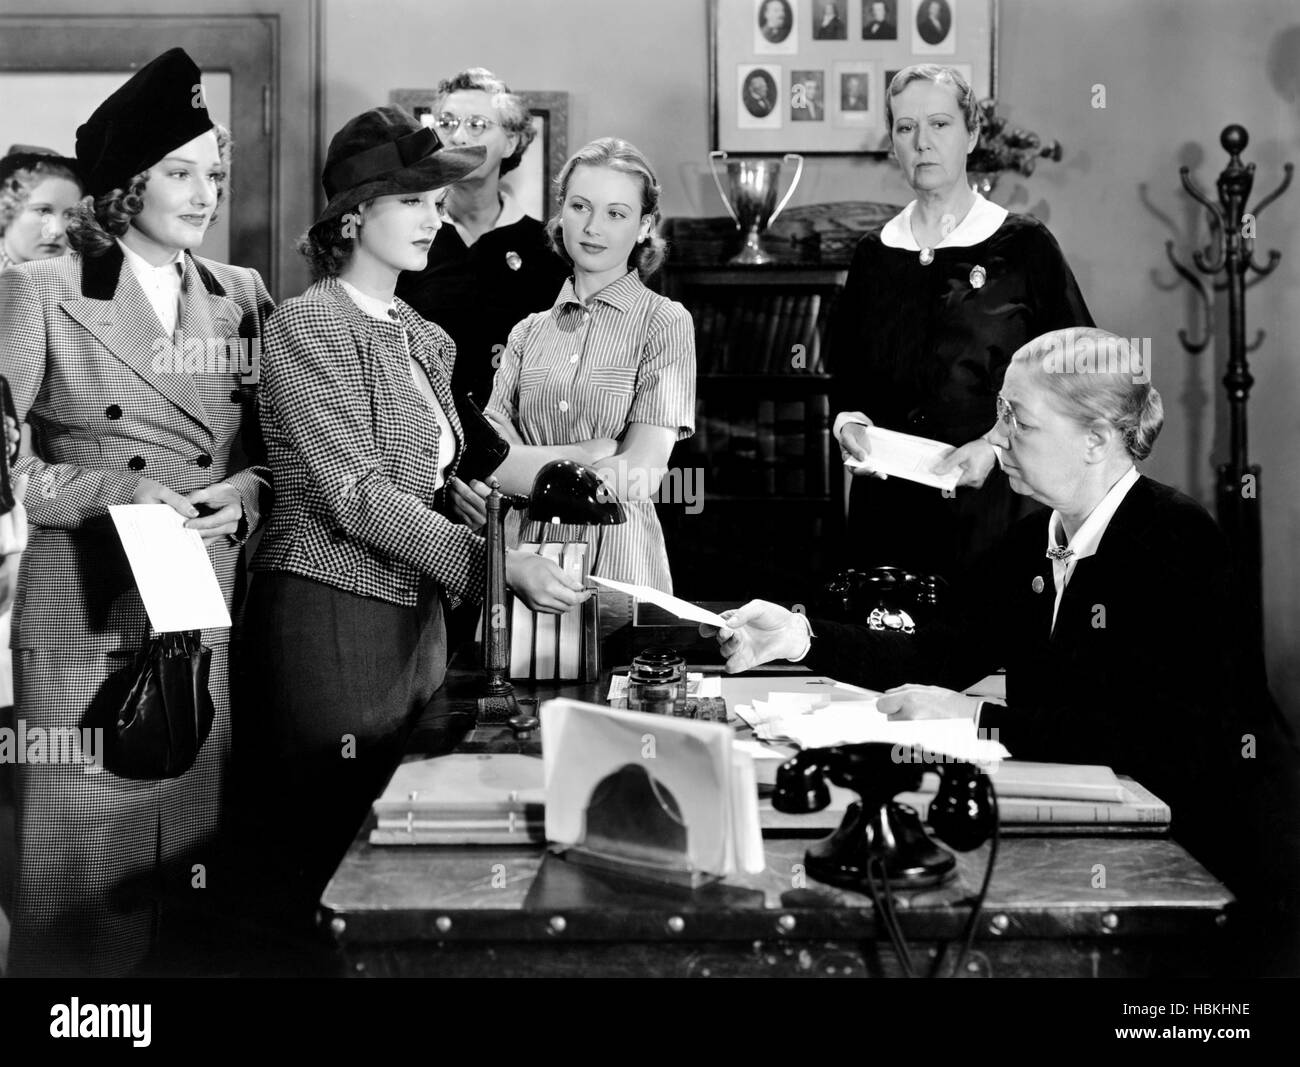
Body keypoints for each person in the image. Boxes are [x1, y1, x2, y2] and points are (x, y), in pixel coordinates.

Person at [707, 327, 1300, 975]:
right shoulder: (1031, 543)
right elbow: (937, 655)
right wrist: (800, 636)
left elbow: (1149, 735)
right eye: (998, 415)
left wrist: (972, 720)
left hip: (1215, 875)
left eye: (1018, 421)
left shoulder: (1179, 543)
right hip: (1094, 836)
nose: (995, 439)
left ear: (1096, 439)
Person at [243, 106, 587, 922]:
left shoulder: (422, 334)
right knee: (329, 846)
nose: (437, 217)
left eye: (439, 200)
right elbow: (356, 493)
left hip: (418, 618)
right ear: (353, 215)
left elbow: (443, 473)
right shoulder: (304, 325)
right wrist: (493, 567)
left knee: (403, 842)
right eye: (415, 201)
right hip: (329, 618)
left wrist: (485, 522)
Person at [0, 47, 275, 976]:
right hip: (84, 611)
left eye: (215, 174)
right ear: (126, 185)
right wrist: (121, 490)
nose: (203, 195)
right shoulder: (36, 290)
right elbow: (12, 466)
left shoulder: (240, 296)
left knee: (184, 873)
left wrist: (236, 499)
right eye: (179, 173)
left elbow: (271, 456)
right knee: (79, 882)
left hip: (196, 610)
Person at [828, 65, 1092, 582]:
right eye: (906, 128)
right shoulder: (873, 253)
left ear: (971, 134)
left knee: (988, 652)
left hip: (997, 509)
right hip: (887, 513)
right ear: (894, 143)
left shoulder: (1023, 246)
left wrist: (996, 445)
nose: (922, 142)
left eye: (940, 125)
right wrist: (849, 423)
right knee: (888, 653)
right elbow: (845, 375)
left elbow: (1076, 367)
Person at [452, 137, 695, 605]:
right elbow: (491, 462)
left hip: (621, 569)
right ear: (561, 212)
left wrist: (528, 471)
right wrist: (590, 453)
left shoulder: (665, 322)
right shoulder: (526, 333)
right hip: (526, 569)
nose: (592, 227)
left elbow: (642, 472)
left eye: (616, 214)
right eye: (580, 206)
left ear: (644, 226)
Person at [396, 68, 568, 410]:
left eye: (477, 124)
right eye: (446, 123)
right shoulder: (404, 239)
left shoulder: (549, 250)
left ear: (512, 141)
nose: (458, 137)